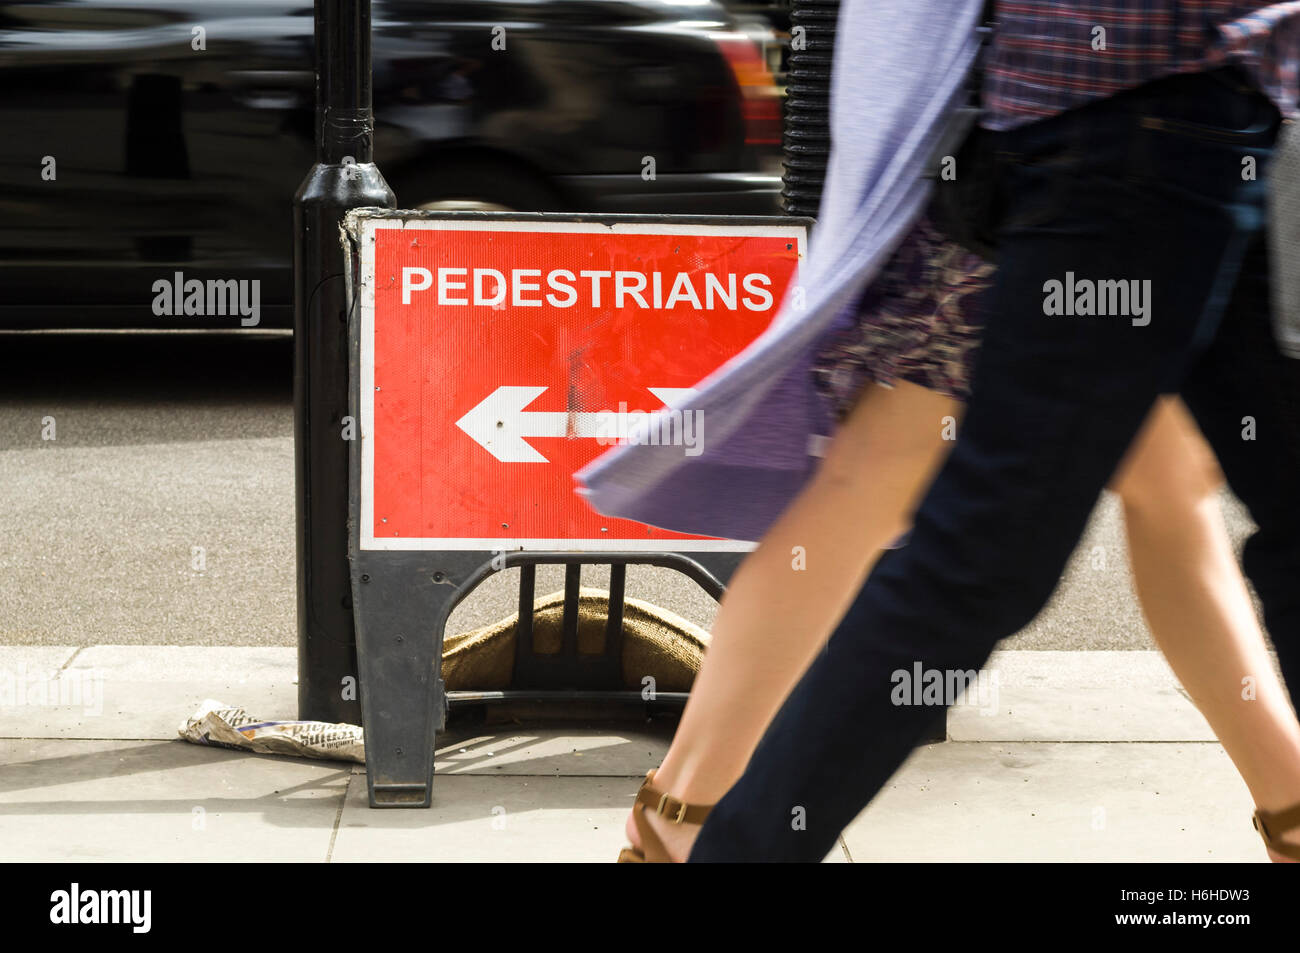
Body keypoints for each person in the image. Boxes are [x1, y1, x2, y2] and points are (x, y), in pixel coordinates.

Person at [668, 3, 1300, 862]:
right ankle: (696, 822)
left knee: (1158, 487)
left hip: (1166, 128)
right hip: (1112, 134)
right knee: (951, 536)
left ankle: (1289, 800)